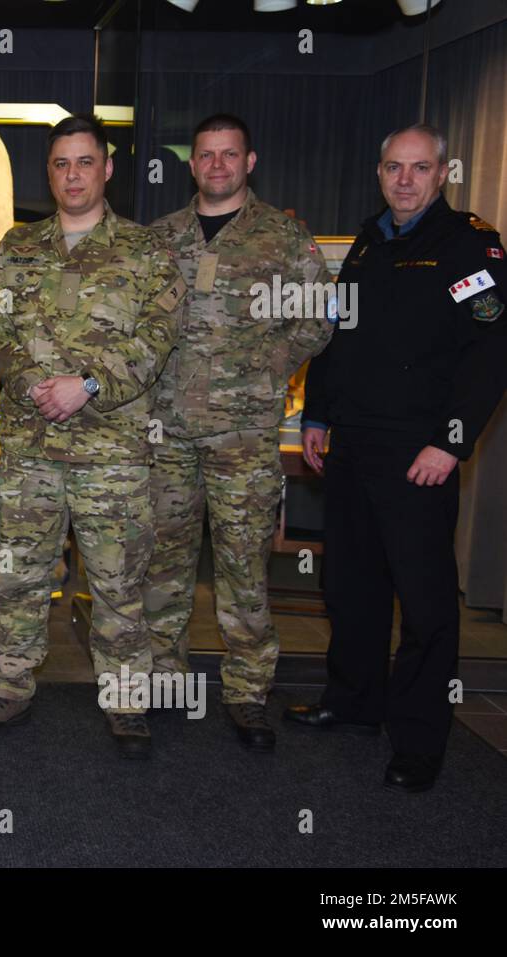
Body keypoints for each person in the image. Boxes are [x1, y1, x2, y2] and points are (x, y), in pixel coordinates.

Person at [286, 123, 507, 792]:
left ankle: (417, 739)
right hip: (351, 444)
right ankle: (353, 702)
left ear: (443, 174)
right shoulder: (367, 242)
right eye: (393, 167)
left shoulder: (469, 244)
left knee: (425, 602)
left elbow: (490, 352)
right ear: (379, 173)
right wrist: (317, 413)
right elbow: (336, 331)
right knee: (350, 586)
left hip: (421, 451)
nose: (404, 179)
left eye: (418, 168)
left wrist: (453, 440)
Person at [0, 114, 184, 758]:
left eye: (85, 162)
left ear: (107, 168)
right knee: (20, 577)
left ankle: (125, 699)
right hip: (32, 446)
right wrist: (39, 382)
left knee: (118, 583)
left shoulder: (146, 252)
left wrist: (85, 384)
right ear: (50, 172)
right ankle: (7, 687)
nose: (73, 175)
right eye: (61, 164)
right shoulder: (19, 245)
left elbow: (155, 341)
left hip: (111, 452)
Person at [145, 114, 333, 752]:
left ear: (249, 162)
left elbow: (321, 316)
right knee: (163, 568)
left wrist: (271, 366)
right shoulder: (161, 239)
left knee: (243, 571)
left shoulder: (284, 238)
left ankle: (248, 694)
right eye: (206, 155)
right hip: (165, 435)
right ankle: (163, 683)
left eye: (229, 155)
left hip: (244, 439)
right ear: (191, 164)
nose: (217, 165)